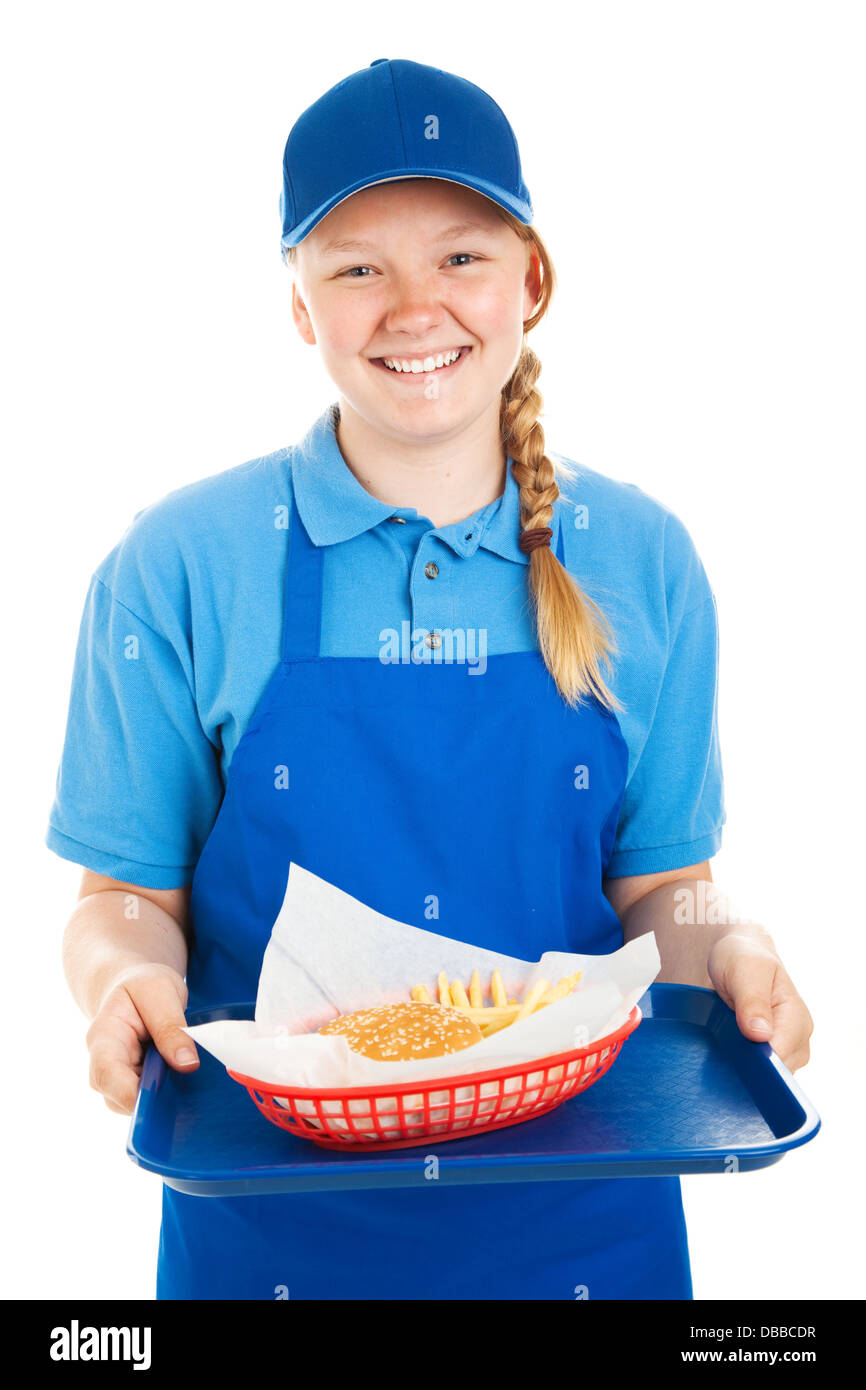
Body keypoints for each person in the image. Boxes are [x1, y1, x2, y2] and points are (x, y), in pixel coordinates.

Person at [48, 57, 813, 1300]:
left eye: (459, 256)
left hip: (586, 1236)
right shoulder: (176, 566)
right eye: (357, 266)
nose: (414, 310)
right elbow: (123, 894)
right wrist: (125, 975)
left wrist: (732, 945)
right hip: (270, 1235)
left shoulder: (641, 560)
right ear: (299, 304)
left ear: (531, 279)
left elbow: (669, 888)